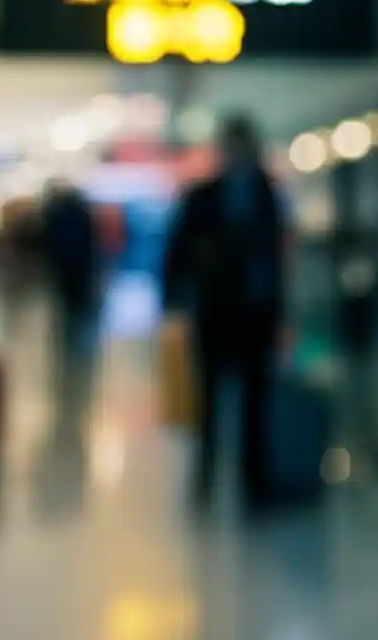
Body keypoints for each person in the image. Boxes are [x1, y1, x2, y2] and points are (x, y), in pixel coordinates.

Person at [162, 115, 287, 507]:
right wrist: (174, 299)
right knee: (210, 398)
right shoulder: (203, 196)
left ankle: (255, 482)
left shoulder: (267, 194)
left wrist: (280, 310)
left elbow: (277, 259)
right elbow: (178, 250)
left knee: (256, 400)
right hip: (215, 311)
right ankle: (205, 479)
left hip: (256, 312)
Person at [42, 179, 101, 350]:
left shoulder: (58, 214)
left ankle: (72, 330)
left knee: (69, 297)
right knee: (77, 298)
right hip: (80, 263)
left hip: (66, 263)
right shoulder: (81, 212)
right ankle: (77, 331)